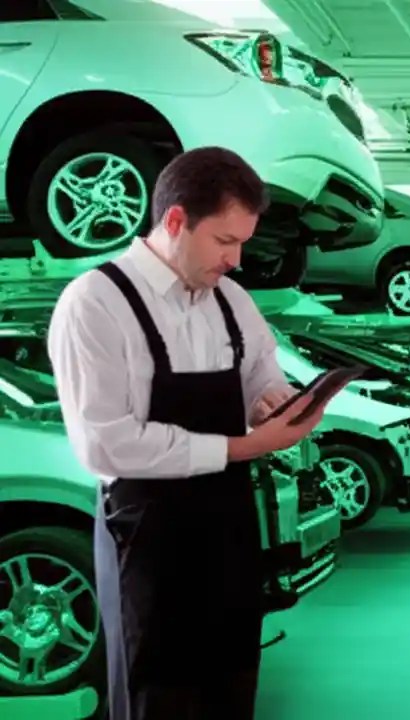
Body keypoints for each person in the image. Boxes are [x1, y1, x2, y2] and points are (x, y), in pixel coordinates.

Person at [46, 146, 332, 720]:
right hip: (146, 533)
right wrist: (243, 447)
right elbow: (106, 442)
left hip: (226, 525)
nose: (236, 259)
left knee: (230, 680)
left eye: (243, 243)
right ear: (175, 221)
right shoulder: (96, 303)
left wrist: (273, 401)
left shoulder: (230, 300)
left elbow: (260, 375)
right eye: (225, 242)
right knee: (157, 689)